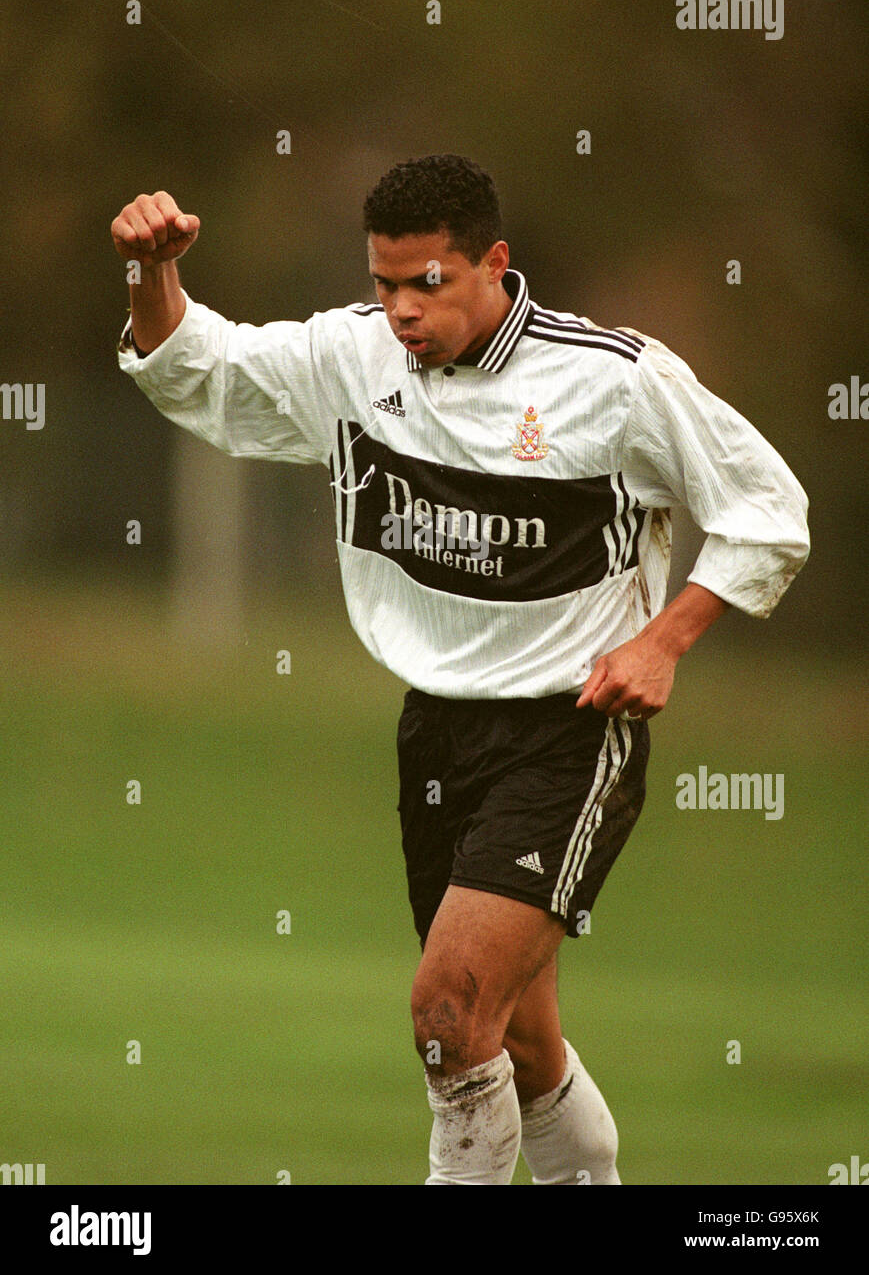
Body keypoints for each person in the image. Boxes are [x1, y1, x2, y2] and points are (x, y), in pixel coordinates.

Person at [111, 154, 809, 1185]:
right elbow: (196, 371)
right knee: (515, 1046)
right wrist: (151, 276)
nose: (399, 308)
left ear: (494, 264)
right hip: (436, 733)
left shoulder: (612, 381)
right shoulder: (352, 358)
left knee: (445, 1011)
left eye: (425, 282)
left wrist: (662, 640)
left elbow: (767, 509)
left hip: (569, 729)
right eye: (383, 282)